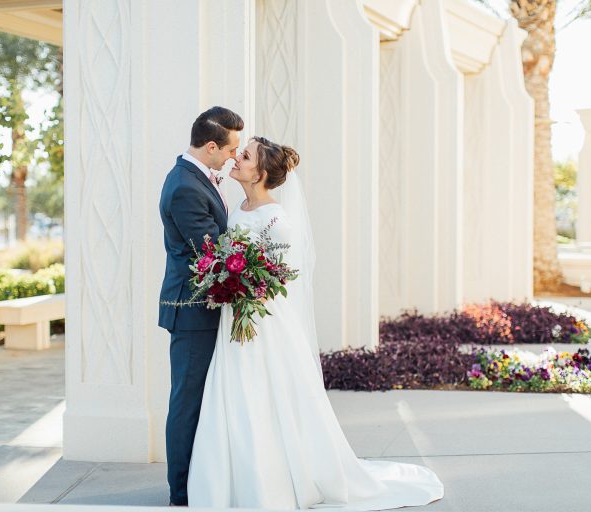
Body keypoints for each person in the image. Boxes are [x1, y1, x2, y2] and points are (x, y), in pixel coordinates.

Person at [186, 136, 444, 509]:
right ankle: (231, 480)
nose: (236, 159)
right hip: (235, 318)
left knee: (262, 393)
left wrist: (240, 283)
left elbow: (280, 278)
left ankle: (274, 481)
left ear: (260, 173)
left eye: (245, 156)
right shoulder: (238, 207)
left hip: (263, 324)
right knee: (236, 392)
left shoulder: (277, 219)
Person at [158, 106, 243, 507]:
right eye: (231, 150)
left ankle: (200, 482)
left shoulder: (194, 178)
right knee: (188, 401)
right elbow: (210, 254)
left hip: (204, 309)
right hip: (192, 310)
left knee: (198, 399)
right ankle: (182, 493)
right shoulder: (186, 187)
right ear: (211, 146)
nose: (233, 157)